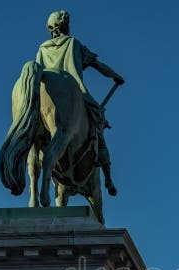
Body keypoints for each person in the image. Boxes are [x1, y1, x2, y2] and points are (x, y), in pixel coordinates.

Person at [35, 10, 125, 196]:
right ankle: (106, 173)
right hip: (76, 92)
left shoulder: (42, 48)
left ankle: (35, 189)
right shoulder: (73, 43)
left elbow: (37, 75)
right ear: (66, 25)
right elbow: (99, 66)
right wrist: (116, 76)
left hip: (45, 96)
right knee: (97, 119)